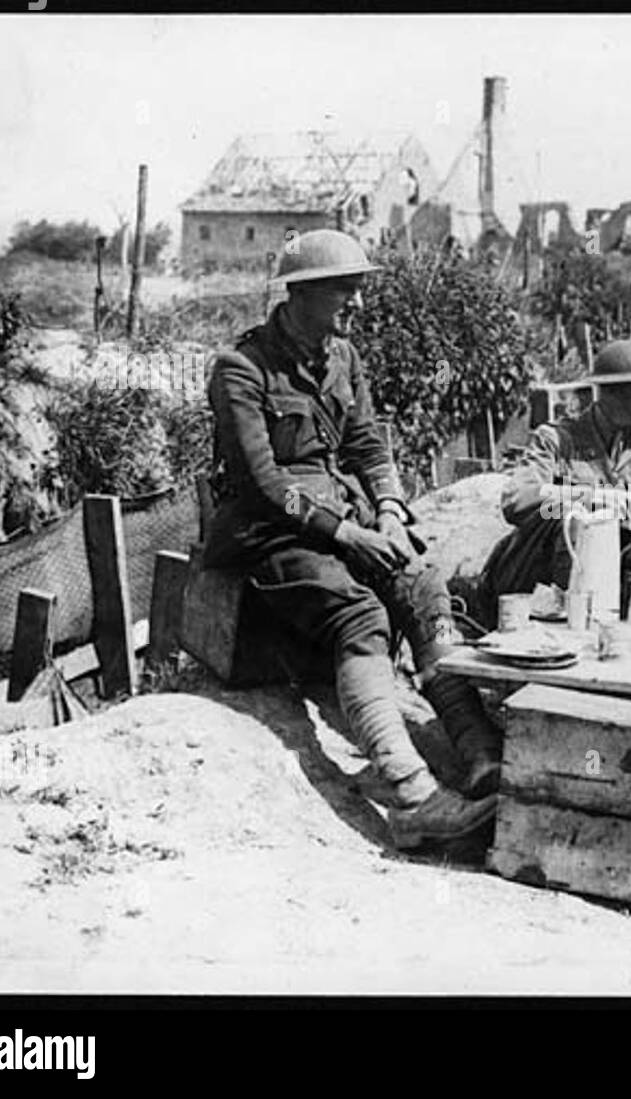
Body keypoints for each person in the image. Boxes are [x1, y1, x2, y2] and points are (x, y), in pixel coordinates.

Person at [204, 229, 499, 851]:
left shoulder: (343, 357)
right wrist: (345, 533)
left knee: (423, 585)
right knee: (359, 612)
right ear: (303, 292)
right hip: (270, 533)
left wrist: (389, 510)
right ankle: (411, 792)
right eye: (346, 291)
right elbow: (264, 483)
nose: (358, 305)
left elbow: (367, 442)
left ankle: (477, 754)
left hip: (350, 518)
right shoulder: (241, 369)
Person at [478, 339, 631, 621]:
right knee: (569, 515)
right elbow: (516, 501)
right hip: (540, 589)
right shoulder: (558, 439)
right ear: (612, 392)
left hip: (615, 590)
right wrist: (590, 498)